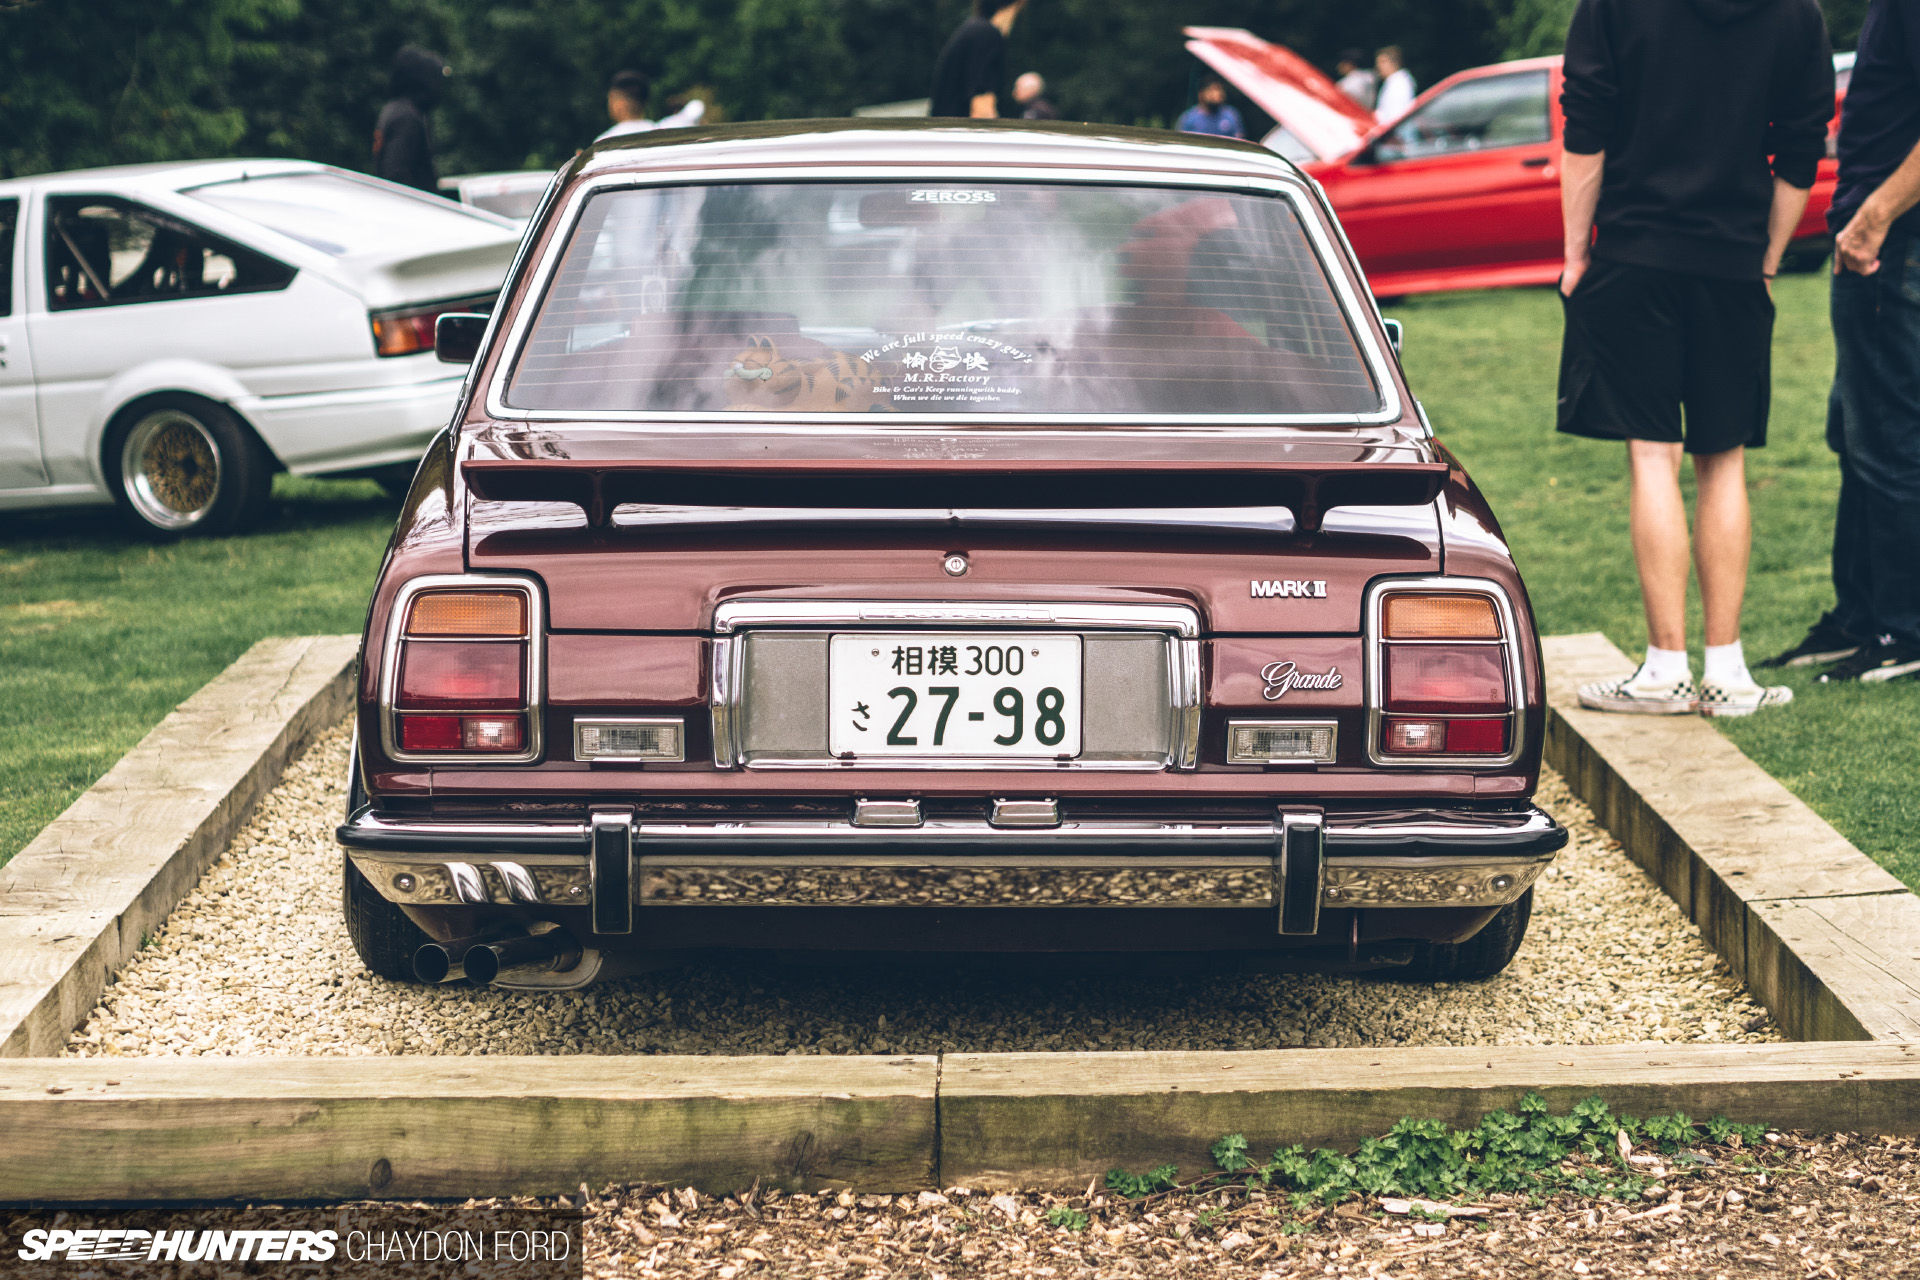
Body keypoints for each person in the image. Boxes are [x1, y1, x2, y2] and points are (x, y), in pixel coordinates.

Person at [1560, 0, 1833, 717]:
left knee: (1654, 455)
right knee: (1725, 457)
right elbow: (1803, 146)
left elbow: (1585, 128)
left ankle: (1664, 670)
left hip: (1633, 253)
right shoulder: (1796, 13)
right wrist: (1767, 257)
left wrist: (1574, 250)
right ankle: (1728, 672)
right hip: (1734, 262)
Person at [1762, 0, 1920, 685]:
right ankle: (1858, 615)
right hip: (1876, 247)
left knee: (1889, 442)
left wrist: (1873, 219)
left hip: (1891, 249)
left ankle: (1902, 629)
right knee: (1854, 432)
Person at [930, 0, 1026, 119]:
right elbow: (982, 110)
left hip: (947, 132)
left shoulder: (974, 30)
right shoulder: (986, 35)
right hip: (960, 135)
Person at [373, 45, 449, 192]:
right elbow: (395, 175)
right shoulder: (407, 117)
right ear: (422, 80)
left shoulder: (394, 109)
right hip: (410, 211)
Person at [596, 69, 706, 143]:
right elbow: (696, 108)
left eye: (610, 100)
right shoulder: (661, 134)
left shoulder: (604, 144)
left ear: (620, 103)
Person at [1176, 79, 1245, 139]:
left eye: (1220, 89)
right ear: (1201, 94)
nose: (1218, 94)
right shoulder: (1189, 118)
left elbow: (1240, 140)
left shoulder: (1231, 115)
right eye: (1212, 90)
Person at [1373, 46, 1417, 120]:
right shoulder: (1392, 83)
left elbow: (1396, 116)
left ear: (1395, 63)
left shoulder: (1400, 85)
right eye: (1378, 62)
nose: (1378, 66)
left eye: (1383, 62)